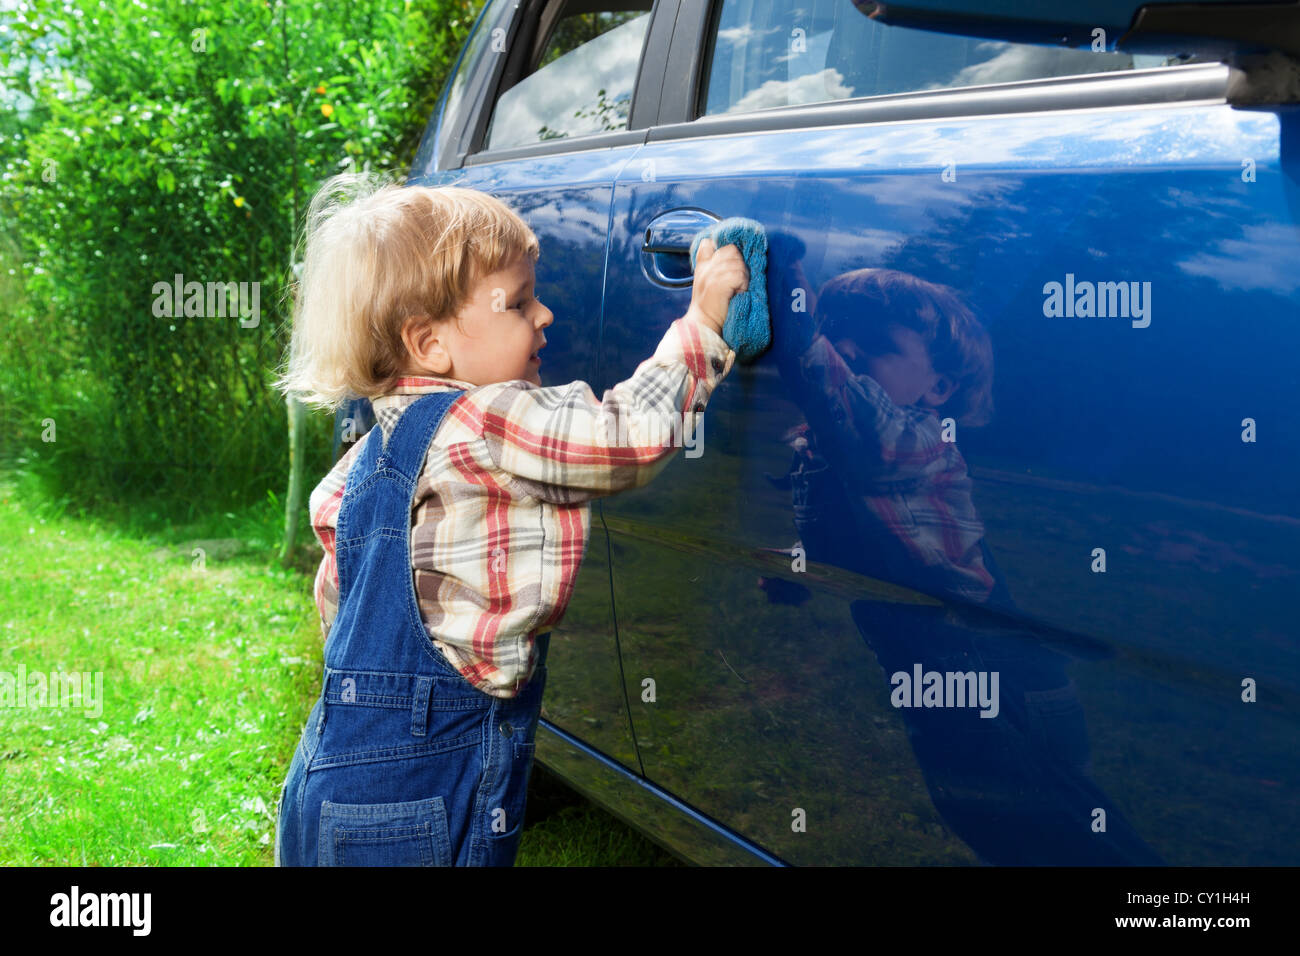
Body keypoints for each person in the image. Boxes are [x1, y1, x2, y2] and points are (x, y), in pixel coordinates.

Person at [269, 174, 747, 866]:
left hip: (327, 778)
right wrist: (702, 325)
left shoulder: (359, 465)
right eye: (518, 303)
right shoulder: (490, 418)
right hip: (425, 792)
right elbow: (625, 437)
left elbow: (340, 608)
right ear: (429, 344)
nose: (544, 314)